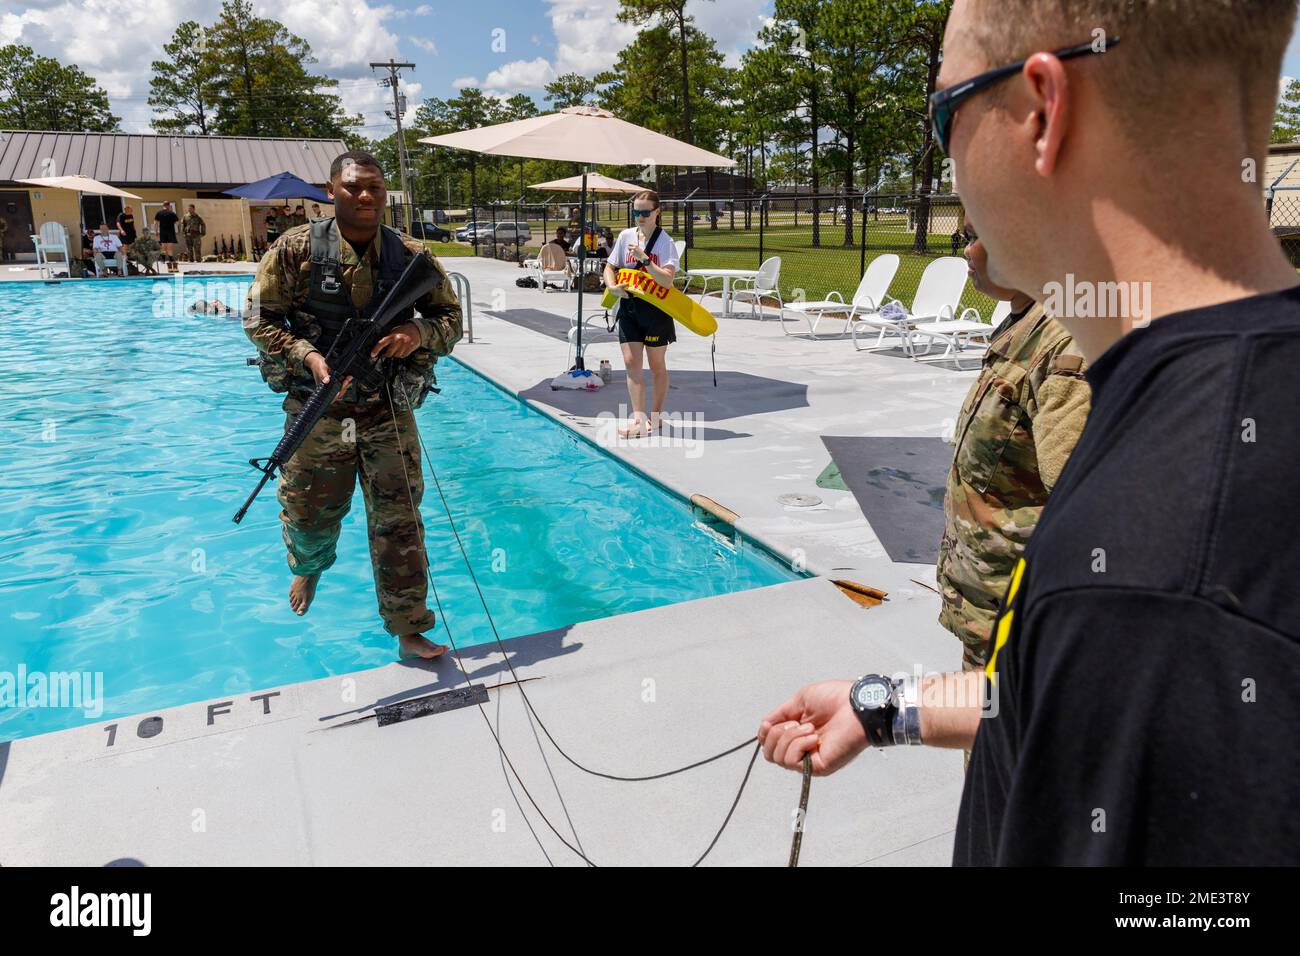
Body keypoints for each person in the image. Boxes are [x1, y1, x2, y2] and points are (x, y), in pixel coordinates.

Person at [759, 0, 1300, 866]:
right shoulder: (1199, 432)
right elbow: (1067, 695)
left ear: (1043, 111)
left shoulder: (1158, 571)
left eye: (944, 112)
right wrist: (883, 706)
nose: (949, 169)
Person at [243, 150, 464, 661]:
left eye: (375, 188)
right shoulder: (295, 250)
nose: (366, 196)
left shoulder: (411, 256)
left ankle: (408, 626)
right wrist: (308, 354)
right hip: (320, 407)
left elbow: (450, 318)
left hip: (387, 407)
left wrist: (418, 330)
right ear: (330, 191)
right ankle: (309, 566)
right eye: (354, 187)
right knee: (309, 512)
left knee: (399, 520)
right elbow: (257, 318)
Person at [937, 225, 1090, 675]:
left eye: (977, 233)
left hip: (1023, 627)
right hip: (989, 611)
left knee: (996, 737)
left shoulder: (1068, 348)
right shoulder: (1025, 322)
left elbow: (1087, 518)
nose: (966, 249)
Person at [603, 189, 680, 438]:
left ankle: (655, 418)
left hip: (656, 309)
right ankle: (638, 420)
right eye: (636, 211)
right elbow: (610, 267)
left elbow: (667, 281)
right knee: (630, 362)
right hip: (629, 306)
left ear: (657, 212)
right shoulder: (626, 236)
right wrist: (612, 286)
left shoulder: (665, 242)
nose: (640, 216)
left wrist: (646, 260)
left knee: (656, 365)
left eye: (645, 212)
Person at [153, 201, 180, 272]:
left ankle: (163, 259)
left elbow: (155, 223)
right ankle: (171, 259)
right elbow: (177, 223)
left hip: (163, 232)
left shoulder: (159, 213)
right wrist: (173, 222)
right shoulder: (172, 213)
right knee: (169, 247)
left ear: (163, 205)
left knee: (163, 246)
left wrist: (155, 231)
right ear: (169, 206)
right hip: (170, 232)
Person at [115, 205, 137, 274]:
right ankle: (125, 258)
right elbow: (118, 224)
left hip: (131, 234)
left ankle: (131, 258)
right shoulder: (121, 215)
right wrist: (121, 230)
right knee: (125, 246)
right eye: (130, 210)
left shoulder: (131, 215)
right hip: (124, 234)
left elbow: (132, 224)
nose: (131, 211)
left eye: (131, 210)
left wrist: (134, 230)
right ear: (126, 209)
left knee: (132, 246)